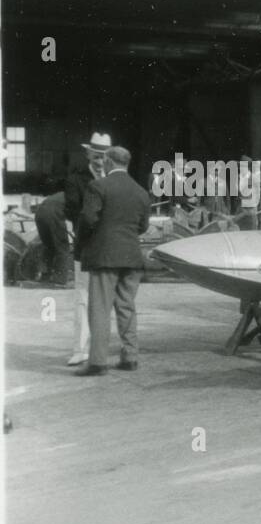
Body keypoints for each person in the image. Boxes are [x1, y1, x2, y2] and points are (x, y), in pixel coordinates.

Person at [75, 146, 151, 376]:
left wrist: (82, 246)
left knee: (99, 309)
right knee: (127, 307)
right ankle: (130, 357)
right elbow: (143, 226)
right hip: (132, 257)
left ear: (108, 161)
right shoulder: (140, 192)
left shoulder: (98, 186)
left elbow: (88, 219)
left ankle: (98, 362)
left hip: (104, 256)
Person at [65, 131, 111, 365]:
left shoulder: (114, 179)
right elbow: (72, 212)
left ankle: (100, 350)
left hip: (108, 250)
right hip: (85, 247)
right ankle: (79, 349)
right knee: (82, 298)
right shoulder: (75, 180)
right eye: (95, 155)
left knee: (105, 299)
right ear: (88, 154)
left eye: (103, 155)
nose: (99, 159)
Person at [34, 191, 74, 287]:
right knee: (63, 247)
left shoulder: (66, 193)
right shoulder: (81, 195)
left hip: (39, 213)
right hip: (53, 214)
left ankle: (45, 276)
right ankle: (60, 279)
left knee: (49, 246)